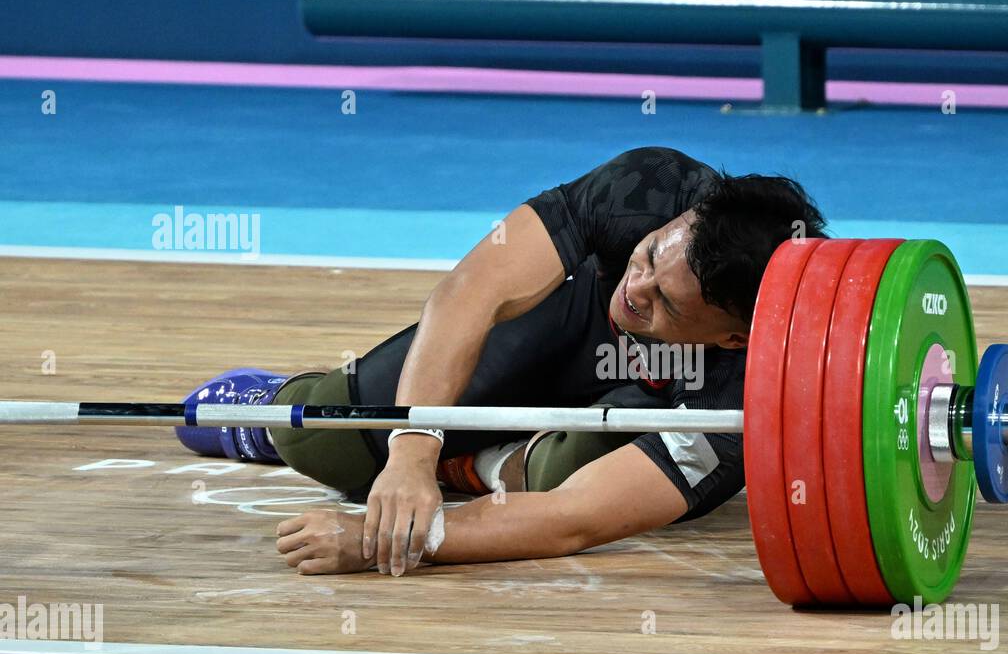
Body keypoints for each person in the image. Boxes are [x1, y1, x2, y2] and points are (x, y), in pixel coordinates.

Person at [174, 147, 826, 576]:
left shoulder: (749, 392)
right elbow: (473, 287)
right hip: (569, 337)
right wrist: (410, 451)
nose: (637, 289)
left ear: (735, 338)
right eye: (650, 256)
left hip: (651, 409)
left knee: (562, 474)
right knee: (318, 436)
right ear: (679, 217)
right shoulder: (649, 184)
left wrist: (386, 537)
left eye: (667, 307)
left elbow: (576, 520)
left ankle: (480, 461)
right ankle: (283, 416)